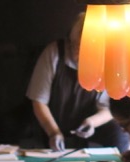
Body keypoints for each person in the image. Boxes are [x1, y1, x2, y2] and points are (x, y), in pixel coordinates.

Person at [26, 13, 125, 152]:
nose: (79, 53)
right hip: (50, 122)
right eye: (77, 46)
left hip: (86, 123)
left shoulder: (107, 62)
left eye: (86, 50)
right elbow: (38, 101)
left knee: (119, 136)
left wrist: (91, 123)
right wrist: (54, 132)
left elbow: (109, 109)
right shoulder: (54, 53)